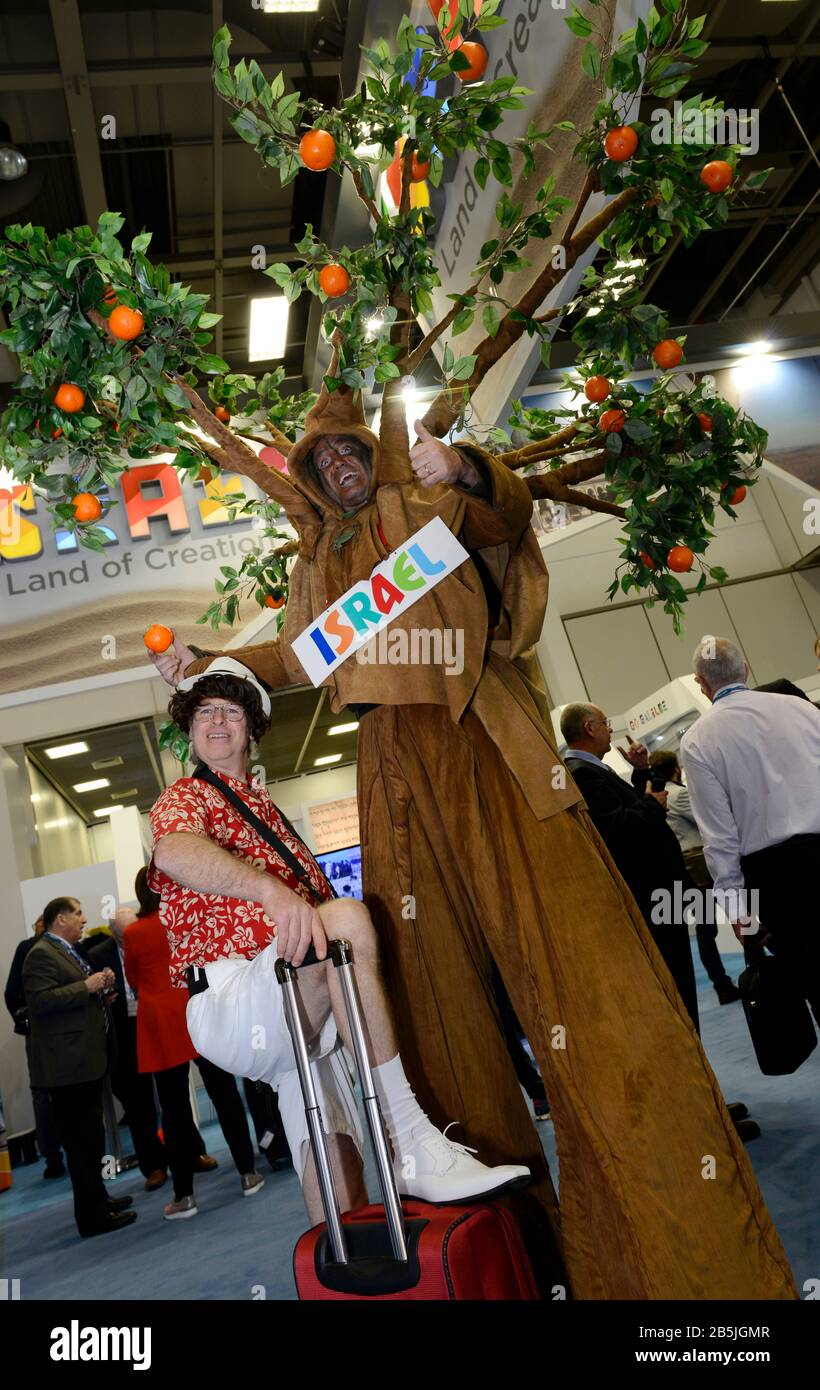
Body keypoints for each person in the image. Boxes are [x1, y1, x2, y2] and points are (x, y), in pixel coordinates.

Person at [146, 378, 796, 1299]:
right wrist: (208, 661)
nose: (338, 468)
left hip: (479, 733)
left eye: (349, 453)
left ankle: (676, 1273)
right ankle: (504, 1249)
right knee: (431, 995)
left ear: (372, 457)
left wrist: (470, 470)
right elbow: (297, 657)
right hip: (388, 762)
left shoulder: (415, 509)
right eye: (321, 461)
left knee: (575, 967)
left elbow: (496, 519)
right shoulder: (329, 561)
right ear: (309, 479)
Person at [147, 662, 531, 1226]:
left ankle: (338, 1269)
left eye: (231, 709)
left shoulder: (266, 813)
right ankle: (412, 1141)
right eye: (205, 711)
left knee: (334, 1157)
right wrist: (268, 891)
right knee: (347, 921)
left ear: (253, 728)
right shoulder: (187, 797)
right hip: (234, 997)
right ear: (190, 729)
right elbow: (172, 853)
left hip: (296, 1005)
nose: (218, 721)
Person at [681, 636, 820, 1026]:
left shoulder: (697, 741)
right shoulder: (800, 708)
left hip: (776, 881)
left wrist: (738, 912)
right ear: (746, 668)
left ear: (700, 683)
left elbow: (719, 837)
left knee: (813, 980)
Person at [126, 867, 261, 1219]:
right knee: (224, 1091)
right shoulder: (185, 918)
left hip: (160, 1024)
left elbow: (134, 979)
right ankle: (248, 1173)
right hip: (196, 1011)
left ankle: (184, 1196)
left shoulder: (134, 932)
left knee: (173, 1110)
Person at [561, 706, 700, 1030]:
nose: (611, 730)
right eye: (606, 723)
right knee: (674, 984)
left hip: (658, 893)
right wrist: (651, 805)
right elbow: (618, 830)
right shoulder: (582, 773)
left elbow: (633, 806)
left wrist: (641, 771)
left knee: (678, 981)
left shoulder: (594, 770)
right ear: (589, 728)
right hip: (650, 895)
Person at [21, 897, 136, 1238]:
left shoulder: (67, 951)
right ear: (60, 919)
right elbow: (40, 1002)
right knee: (81, 1144)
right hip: (66, 1067)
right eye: (79, 914)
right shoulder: (40, 954)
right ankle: (92, 1217)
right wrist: (86, 986)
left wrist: (100, 993)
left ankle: (99, 1201)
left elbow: (66, 998)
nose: (85, 920)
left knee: (90, 1139)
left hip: (82, 1061)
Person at [648, 750, 741, 1006]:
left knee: (705, 928)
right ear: (676, 768)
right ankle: (742, 974)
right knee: (737, 912)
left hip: (688, 864)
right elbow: (705, 820)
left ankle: (721, 983)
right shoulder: (679, 794)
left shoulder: (662, 796)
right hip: (701, 862)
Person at [85, 908, 168, 1183]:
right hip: (125, 1034)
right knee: (138, 1103)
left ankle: (191, 1153)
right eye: (123, 936)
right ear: (114, 934)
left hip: (155, 1024)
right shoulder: (98, 956)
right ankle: (153, 1166)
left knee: (172, 1096)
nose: (128, 938)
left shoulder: (149, 937)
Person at [4, 915, 65, 1177]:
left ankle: (59, 1158)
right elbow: (12, 993)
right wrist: (26, 1023)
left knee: (54, 1094)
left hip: (60, 1033)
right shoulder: (27, 949)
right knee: (43, 1094)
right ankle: (53, 1157)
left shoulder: (63, 948)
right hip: (42, 1035)